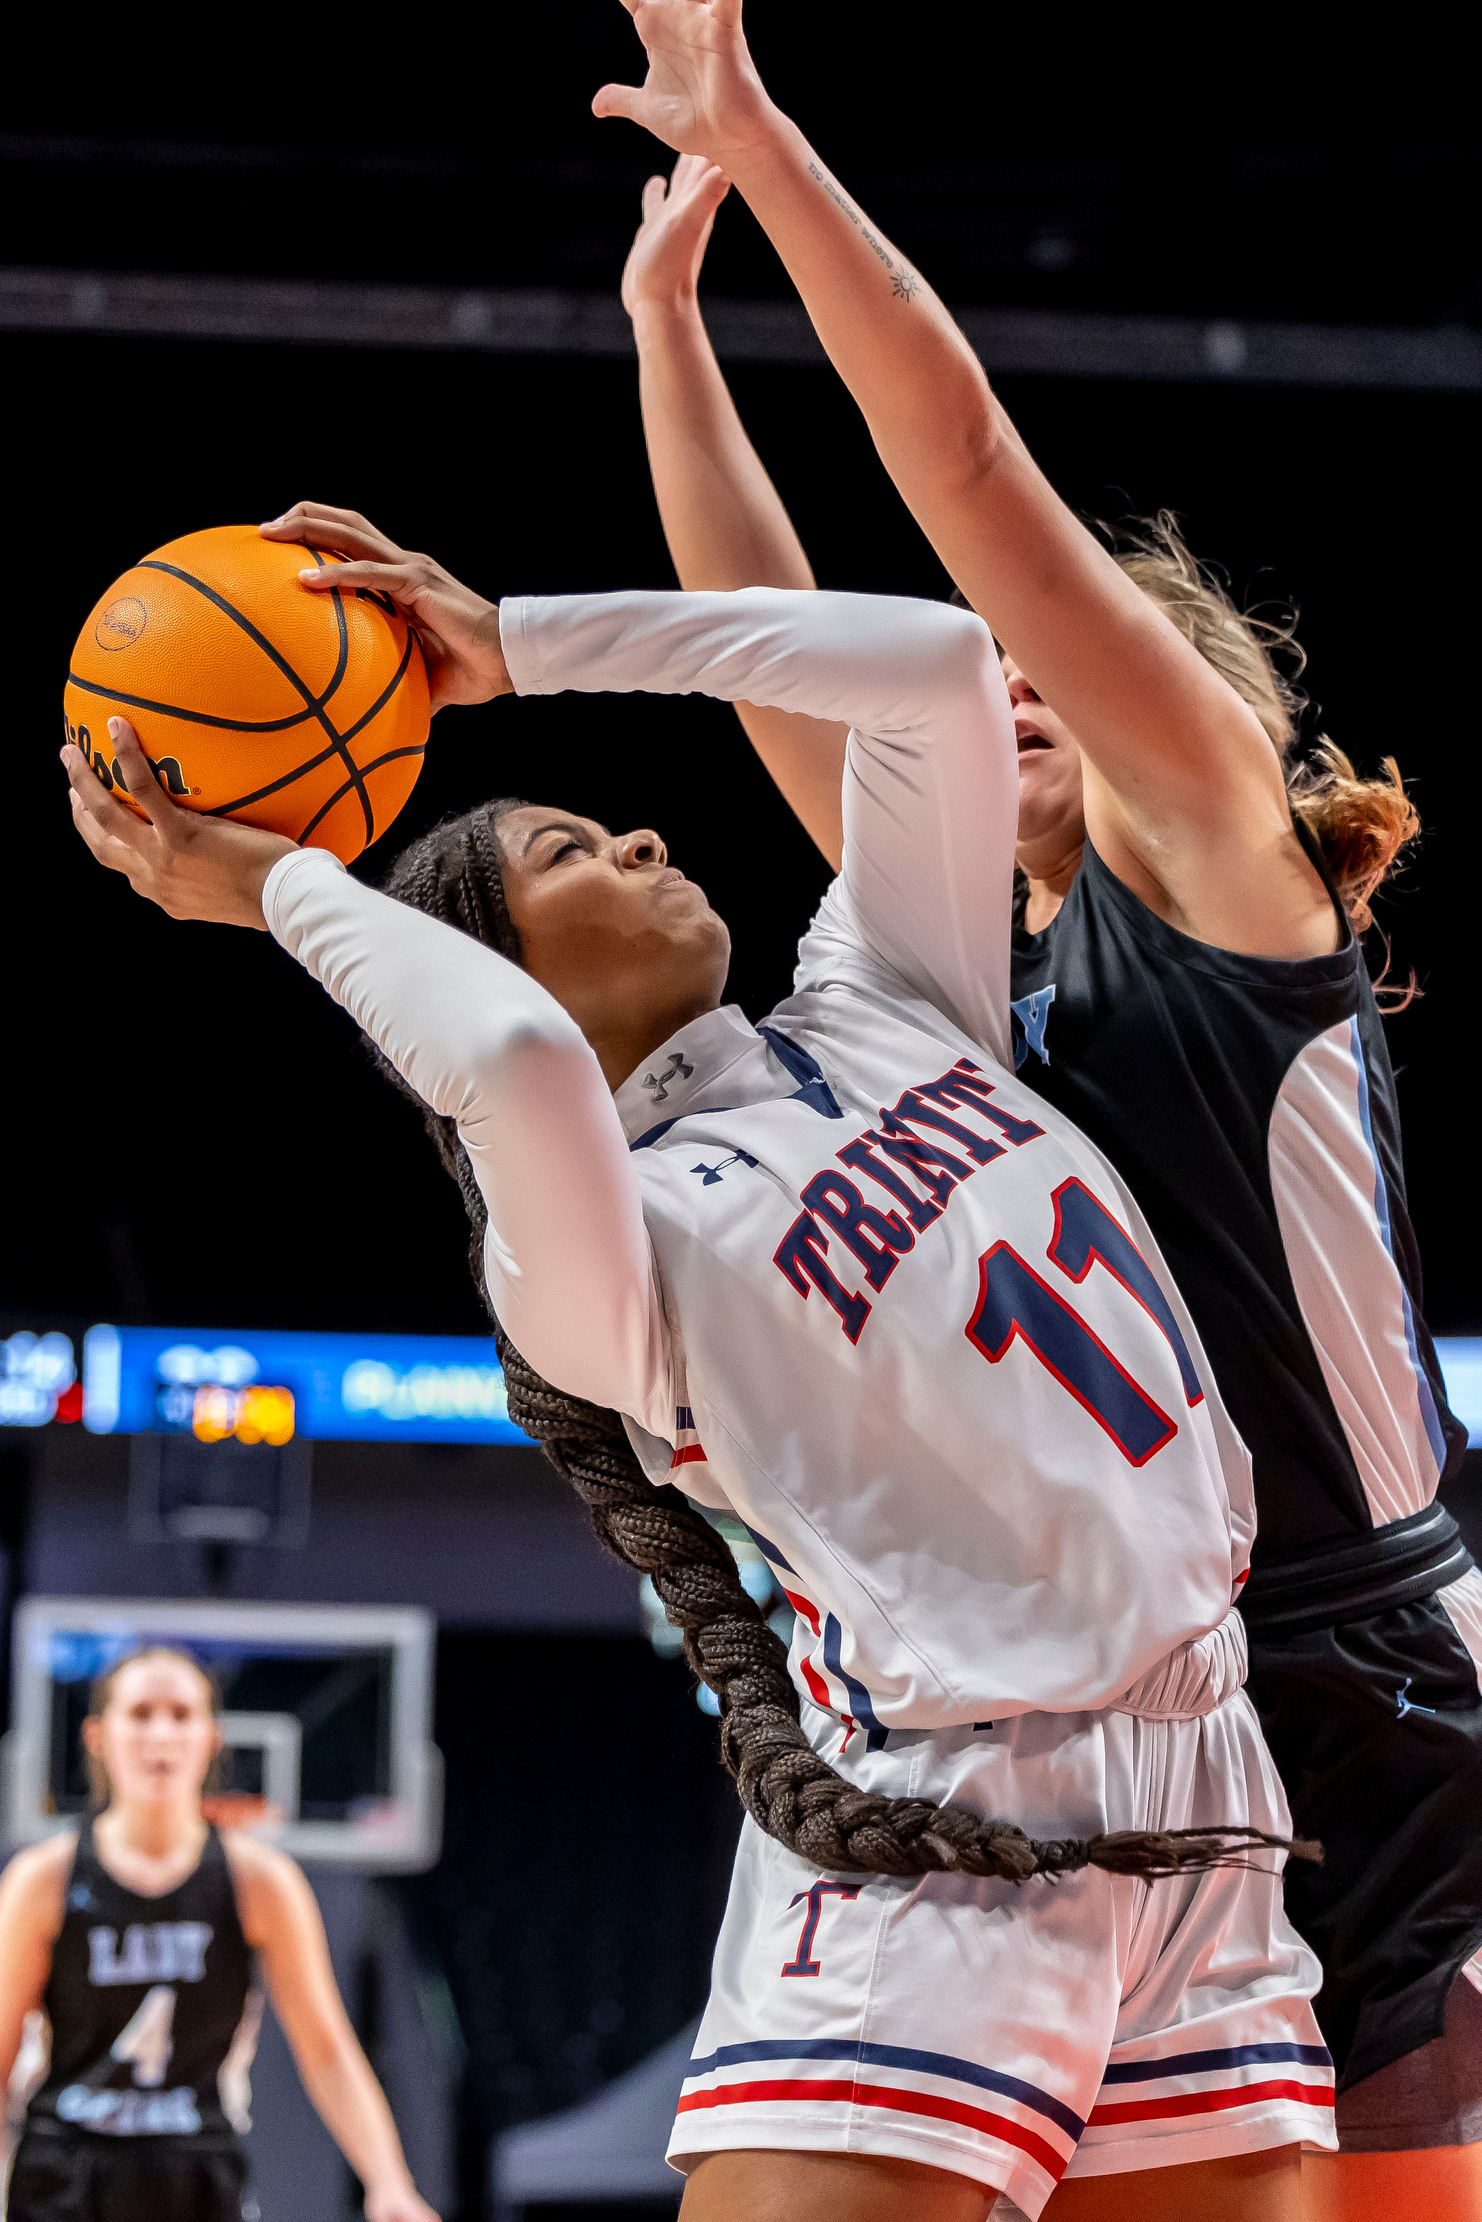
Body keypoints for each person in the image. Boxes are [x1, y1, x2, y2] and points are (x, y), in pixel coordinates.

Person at [64, 513, 1336, 2222]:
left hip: (1203, 1778)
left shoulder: (882, 998)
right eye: (575, 852)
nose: (646, 834)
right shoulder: (594, 1260)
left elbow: (929, 665)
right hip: (940, 1827)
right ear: (493, 964)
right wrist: (281, 884)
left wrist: (509, 640)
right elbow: (511, 1059)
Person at [590, 13, 1482, 2213]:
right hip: (1106, 1690)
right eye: (978, 675)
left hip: (1361, 1667)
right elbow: (763, 646)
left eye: (1031, 660)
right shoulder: (959, 977)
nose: (992, 684)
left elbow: (965, 461)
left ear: (1182, 705)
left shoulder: (1224, 868)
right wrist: (663, 325)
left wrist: (773, 154)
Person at [0, 1646, 439, 2222]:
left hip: (196, 2168)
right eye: (140, 1713)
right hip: (66, 2172)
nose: (161, 1734)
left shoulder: (260, 1881)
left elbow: (328, 2050)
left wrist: (389, 2182)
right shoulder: (45, 1879)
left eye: (181, 1715)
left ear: (211, 1736)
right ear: (97, 1734)